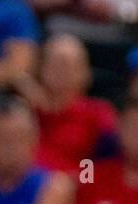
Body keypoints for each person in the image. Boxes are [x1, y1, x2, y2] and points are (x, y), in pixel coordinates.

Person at [31, 33, 117, 174]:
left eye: (67, 64)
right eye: (55, 62)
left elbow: (106, 166)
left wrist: (81, 182)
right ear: (41, 68)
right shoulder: (26, 112)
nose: (61, 71)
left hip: (77, 189)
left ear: (85, 73)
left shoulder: (98, 114)